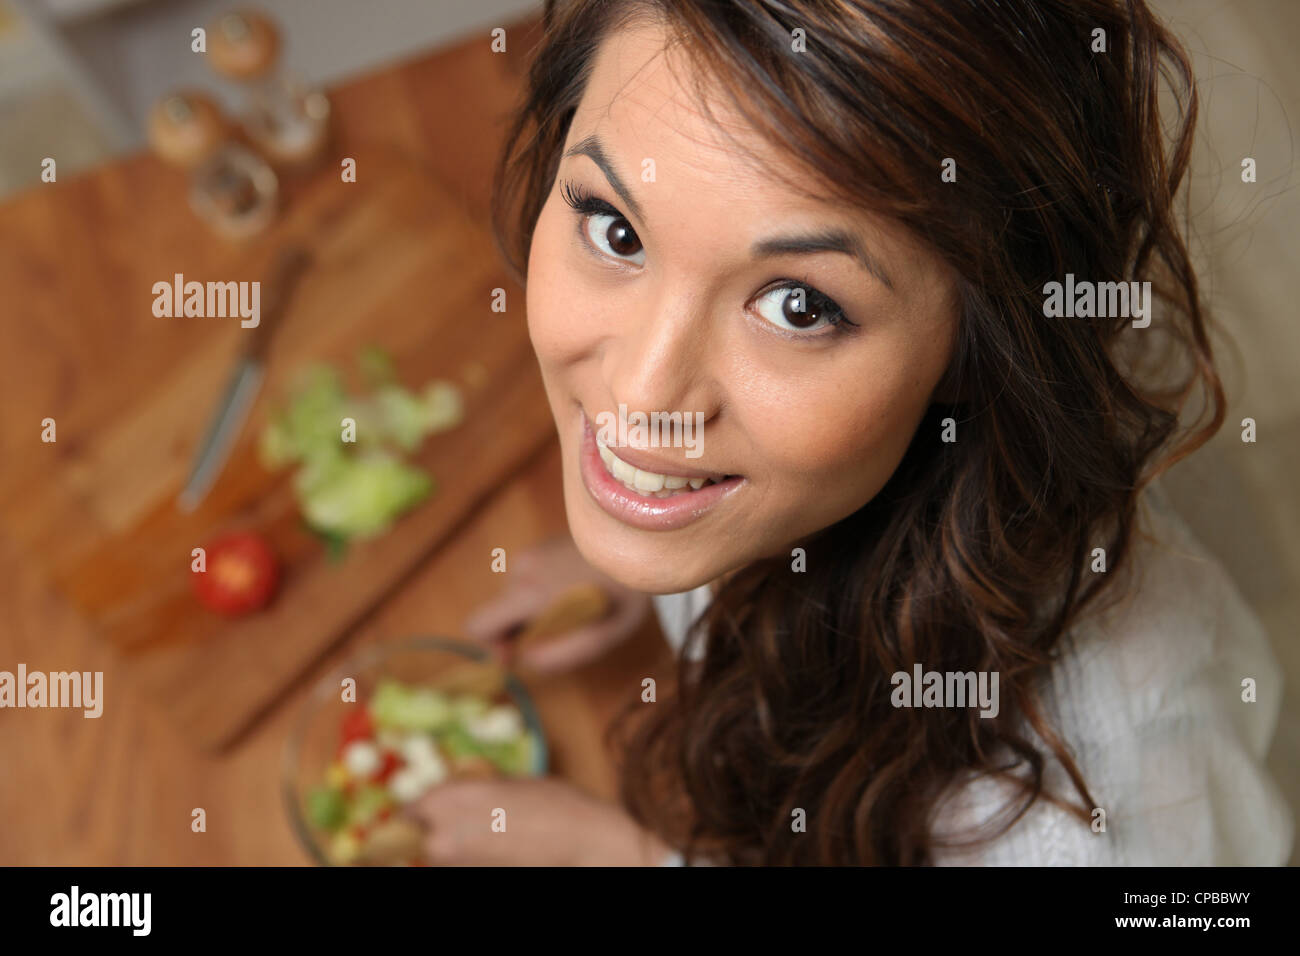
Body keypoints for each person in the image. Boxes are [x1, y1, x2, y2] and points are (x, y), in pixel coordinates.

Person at [404, 0, 1293, 865]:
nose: (640, 393)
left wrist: (627, 855)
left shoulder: (1096, 812)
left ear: (977, 354)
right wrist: (648, 531)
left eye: (800, 306)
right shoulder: (781, 474)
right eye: (618, 229)